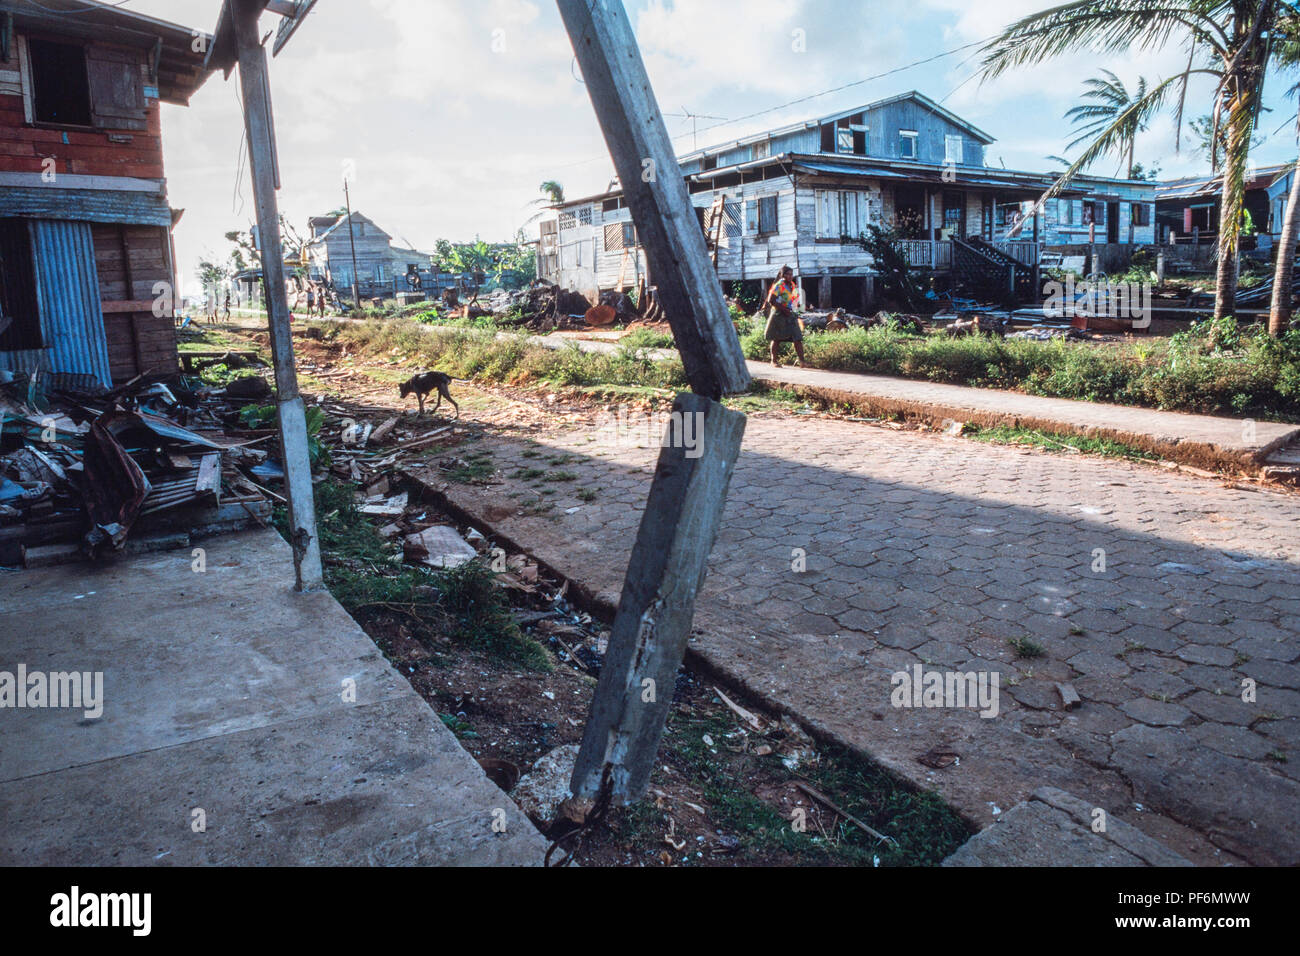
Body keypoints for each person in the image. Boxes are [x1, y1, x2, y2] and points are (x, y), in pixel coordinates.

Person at [763, 265, 806, 367]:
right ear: (783, 275)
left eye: (791, 274)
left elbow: (795, 300)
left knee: (797, 337)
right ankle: (773, 361)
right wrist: (784, 309)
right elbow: (771, 300)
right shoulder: (779, 285)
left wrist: (801, 307)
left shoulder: (792, 285)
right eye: (788, 274)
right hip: (779, 315)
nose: (790, 276)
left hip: (790, 314)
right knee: (776, 338)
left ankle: (802, 362)